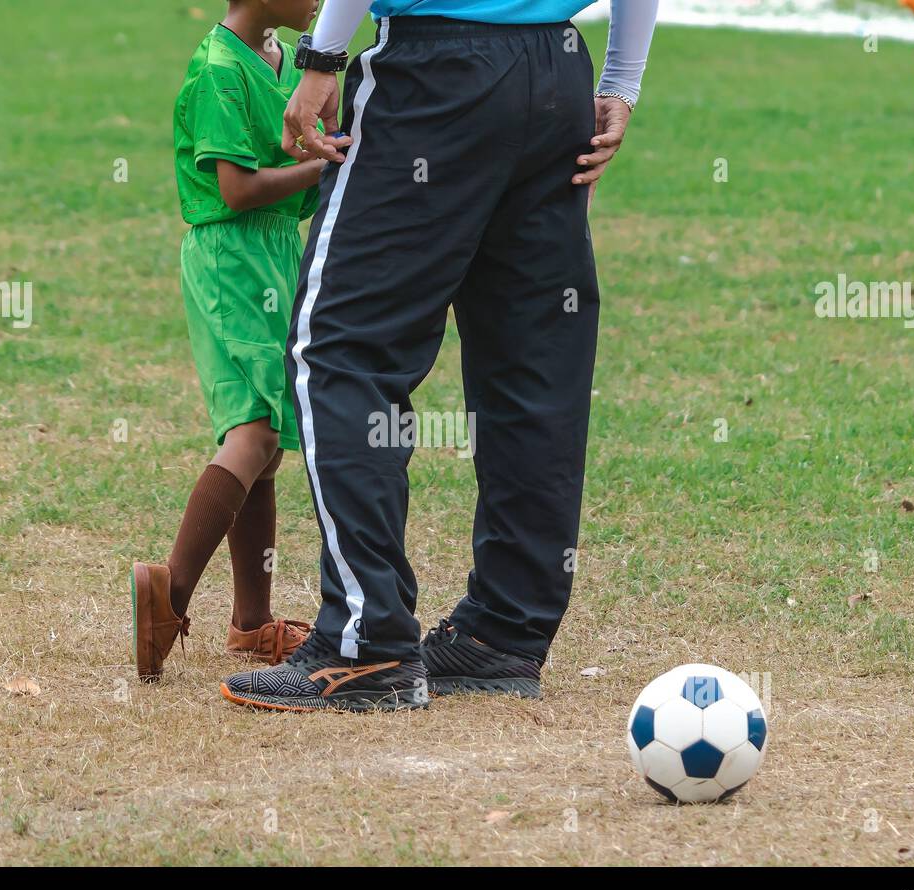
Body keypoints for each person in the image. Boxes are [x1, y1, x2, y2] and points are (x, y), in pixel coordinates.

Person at [219, 0, 659, 712]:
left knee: (340, 349)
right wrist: (621, 79)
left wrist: (323, 59)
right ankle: (502, 634)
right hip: (556, 75)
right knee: (534, 359)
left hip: (433, 75)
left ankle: (366, 647)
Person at [131, 0, 352, 682]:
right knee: (253, 431)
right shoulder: (218, 71)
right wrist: (326, 167)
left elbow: (291, 189)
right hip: (231, 261)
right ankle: (167, 597)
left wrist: (329, 144)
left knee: (265, 444)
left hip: (277, 254)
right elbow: (235, 190)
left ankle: (251, 624)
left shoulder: (284, 60)